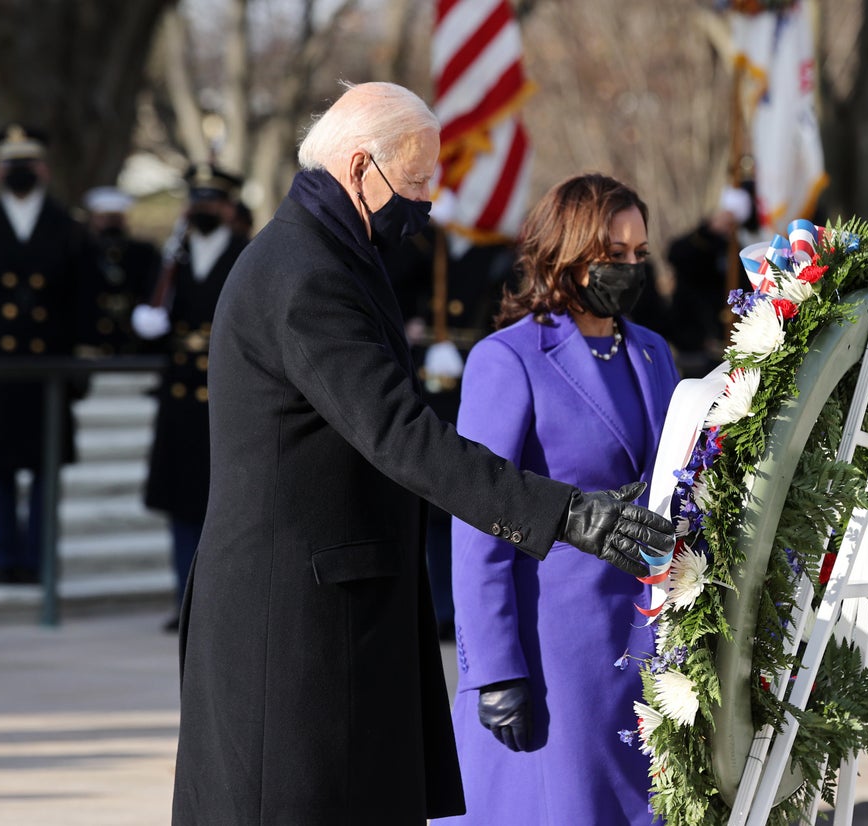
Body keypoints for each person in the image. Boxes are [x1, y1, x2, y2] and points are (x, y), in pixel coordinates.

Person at [170, 82, 674, 825]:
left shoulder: (335, 254)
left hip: (338, 603)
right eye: (413, 183)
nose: (427, 201)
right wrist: (565, 513)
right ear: (359, 167)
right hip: (293, 625)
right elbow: (400, 433)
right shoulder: (304, 274)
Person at [443, 174, 680, 826]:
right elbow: (477, 525)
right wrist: (493, 670)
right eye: (613, 252)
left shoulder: (655, 354)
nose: (629, 268)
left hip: (645, 645)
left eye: (639, 254)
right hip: (555, 654)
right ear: (567, 251)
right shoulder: (508, 360)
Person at [131, 163, 248, 631]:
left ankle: (223, 601)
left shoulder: (244, 252)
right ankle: (186, 597)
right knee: (181, 501)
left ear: (227, 207)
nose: (202, 209)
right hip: (180, 397)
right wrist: (149, 328)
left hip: (226, 394)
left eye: (211, 202)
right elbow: (153, 322)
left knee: (224, 502)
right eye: (195, 201)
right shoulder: (173, 258)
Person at [0, 125, 91, 584]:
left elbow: (83, 299)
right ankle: (6, 558)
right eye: (11, 165)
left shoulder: (67, 228)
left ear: (43, 169)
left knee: (46, 470)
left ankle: (41, 557)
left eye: (27, 164)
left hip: (50, 367)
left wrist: (80, 365)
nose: (20, 172)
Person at [664, 184, 756, 375]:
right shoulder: (701, 241)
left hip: (726, 344)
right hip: (694, 343)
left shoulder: (738, 250)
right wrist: (710, 230)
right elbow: (676, 255)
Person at [79, 186, 161, 356]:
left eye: (115, 218)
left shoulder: (144, 254)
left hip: (130, 346)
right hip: (91, 345)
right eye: (105, 218)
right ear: (94, 219)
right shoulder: (80, 252)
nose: (110, 224)